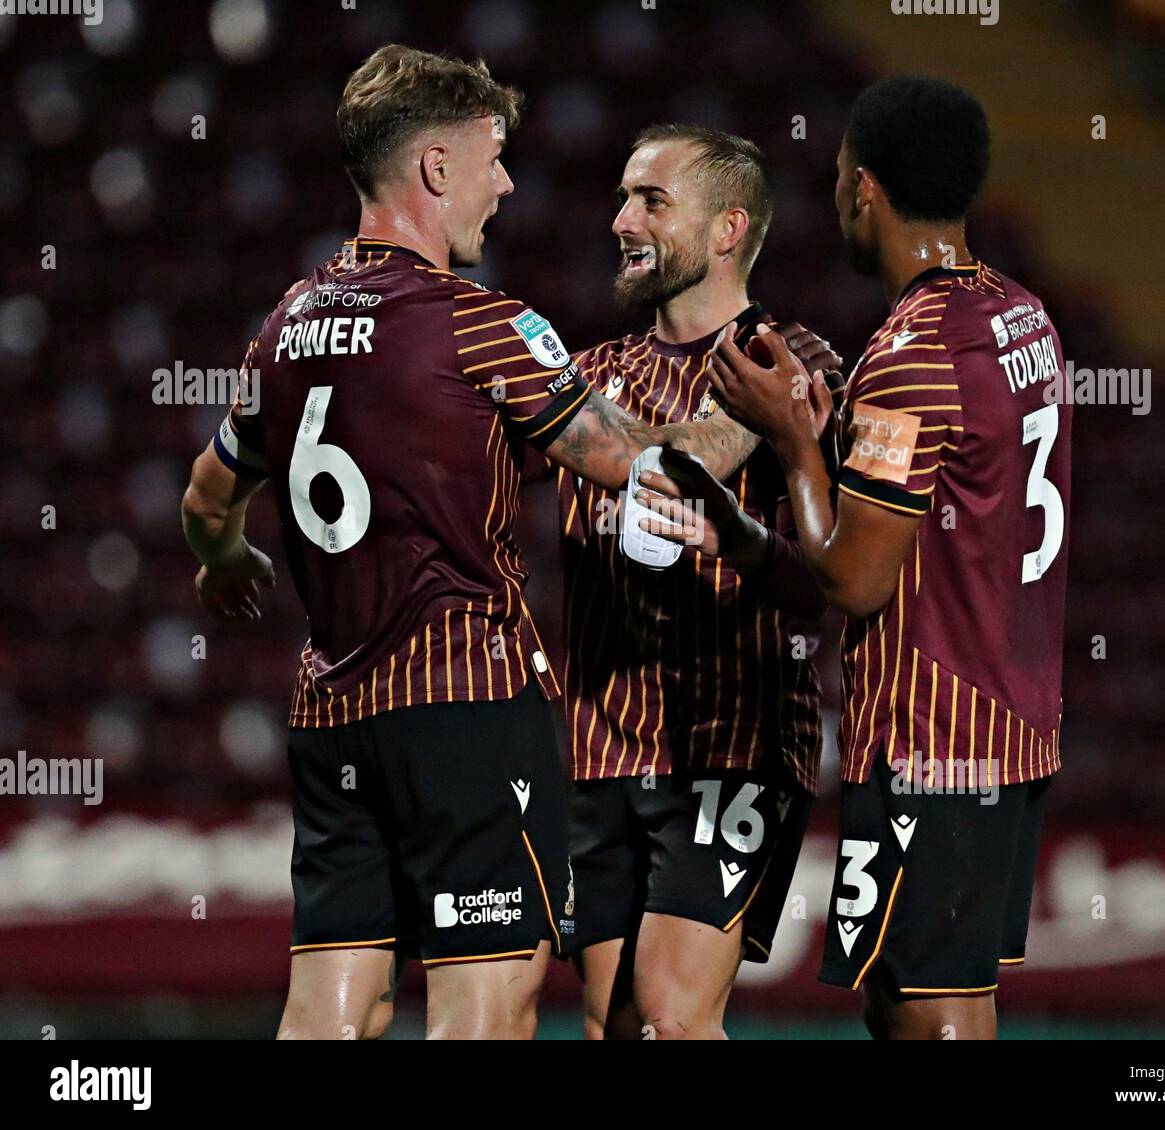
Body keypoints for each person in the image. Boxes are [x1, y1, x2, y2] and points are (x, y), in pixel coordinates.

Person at [180, 44, 763, 1040]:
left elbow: (203, 498)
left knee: (328, 1008)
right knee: (486, 1006)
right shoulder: (481, 325)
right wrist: (753, 414)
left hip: (332, 716)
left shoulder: (286, 323)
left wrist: (228, 561)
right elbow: (639, 464)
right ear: (435, 168)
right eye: (493, 157)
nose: (506, 183)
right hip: (467, 708)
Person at [639, 75, 1070, 1040]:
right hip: (1013, 712)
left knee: (928, 1010)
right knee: (907, 995)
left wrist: (795, 442)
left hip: (936, 727)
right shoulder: (1024, 318)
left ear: (861, 189)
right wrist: (746, 539)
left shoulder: (912, 352)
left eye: (838, 174)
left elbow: (854, 579)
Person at [560, 124, 840, 1040]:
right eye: (622, 197)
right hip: (602, 743)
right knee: (613, 1023)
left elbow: (829, 583)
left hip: (734, 740)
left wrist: (735, 537)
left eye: (650, 201)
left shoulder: (794, 368)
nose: (620, 221)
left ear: (727, 230)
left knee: (674, 1020)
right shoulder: (590, 379)